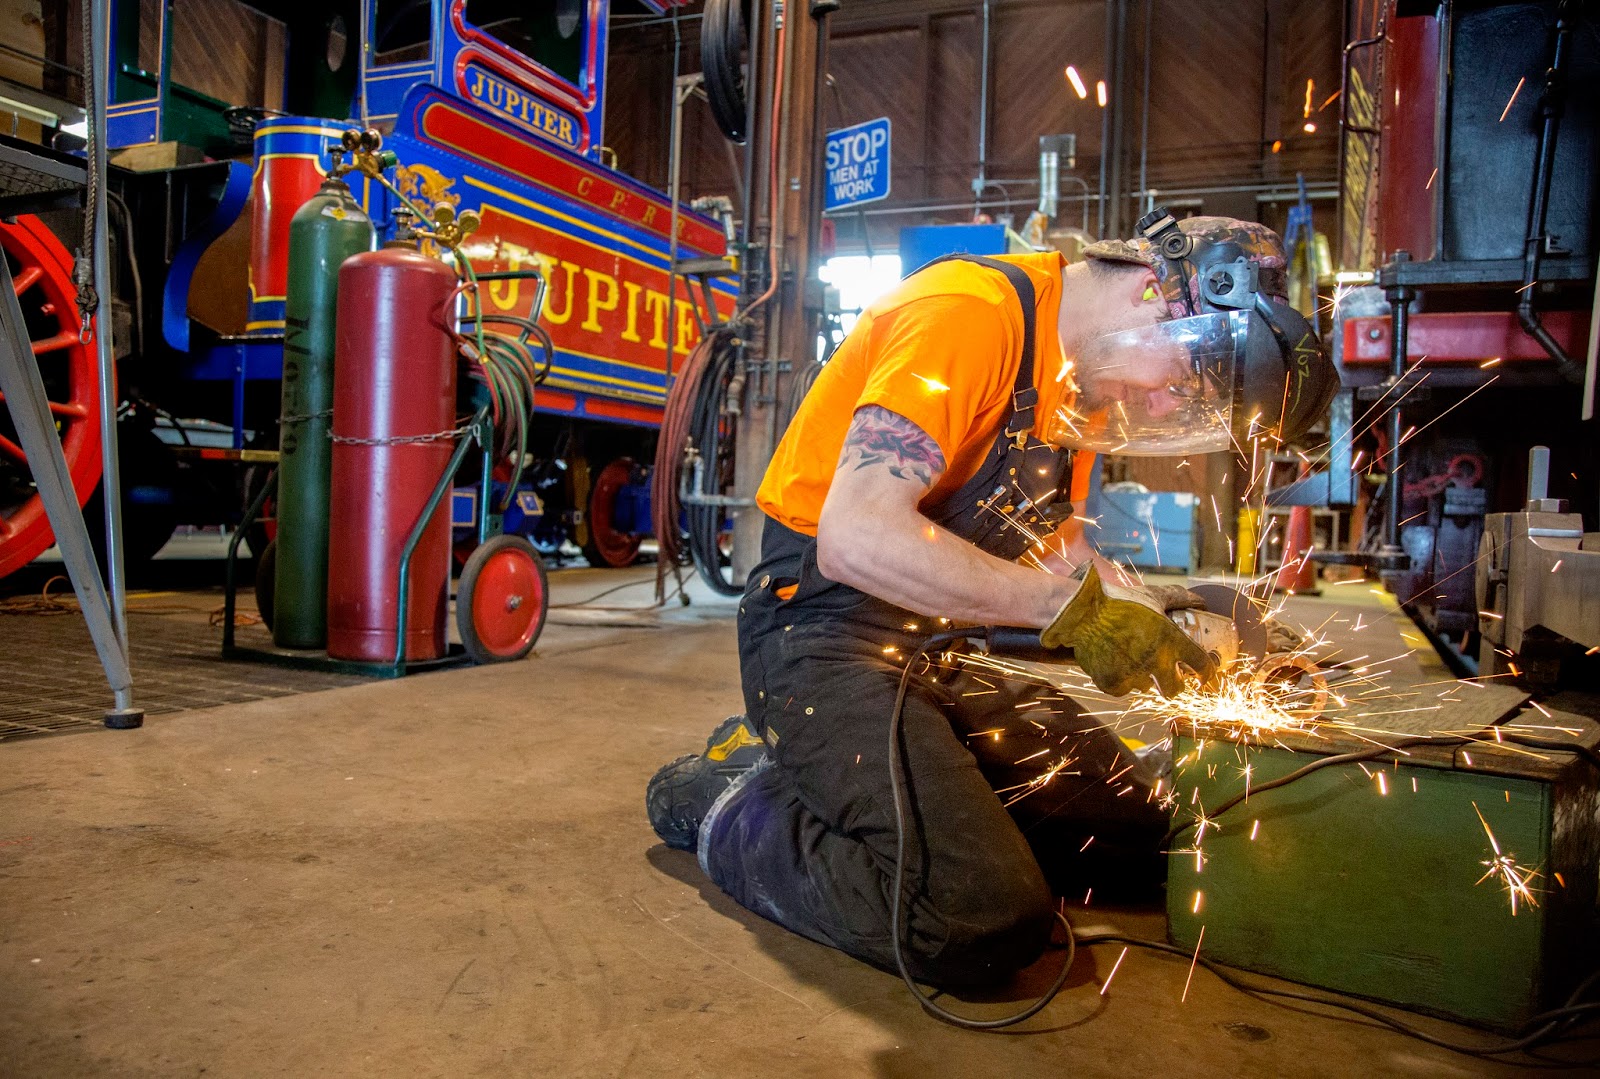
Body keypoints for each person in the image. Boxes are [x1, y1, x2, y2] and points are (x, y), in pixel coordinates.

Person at [647, 210, 1339, 987]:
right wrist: (1064, 611)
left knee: (1145, 833)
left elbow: (1055, 550)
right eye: (1176, 381)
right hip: (817, 639)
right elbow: (857, 535)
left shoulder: (1075, 393)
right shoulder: (968, 317)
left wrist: (1164, 613)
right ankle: (732, 796)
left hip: (933, 653)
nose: (1158, 406)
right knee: (977, 913)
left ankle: (933, 803)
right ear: (1156, 293)